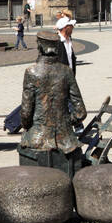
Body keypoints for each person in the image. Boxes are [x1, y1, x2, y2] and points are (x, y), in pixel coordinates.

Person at [19, 28, 88, 178]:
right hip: (66, 140)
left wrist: (28, 127)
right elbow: (81, 111)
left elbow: (25, 113)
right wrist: (65, 122)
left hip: (38, 138)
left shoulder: (31, 72)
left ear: (39, 47)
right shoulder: (66, 71)